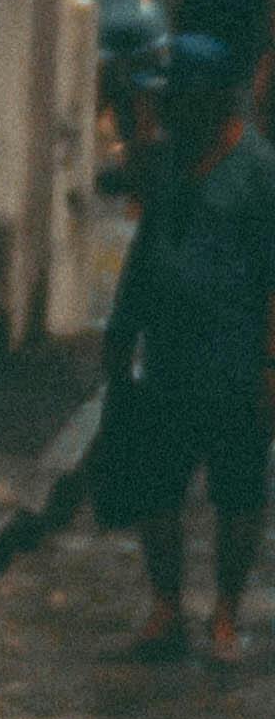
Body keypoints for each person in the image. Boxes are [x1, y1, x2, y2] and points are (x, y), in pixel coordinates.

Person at [101, 49, 275, 660]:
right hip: (169, 361)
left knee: (238, 495)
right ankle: (167, 604)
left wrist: (270, 366)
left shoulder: (259, 173)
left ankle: (225, 611)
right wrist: (121, 334)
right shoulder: (173, 164)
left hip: (235, 363)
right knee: (158, 489)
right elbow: (145, 254)